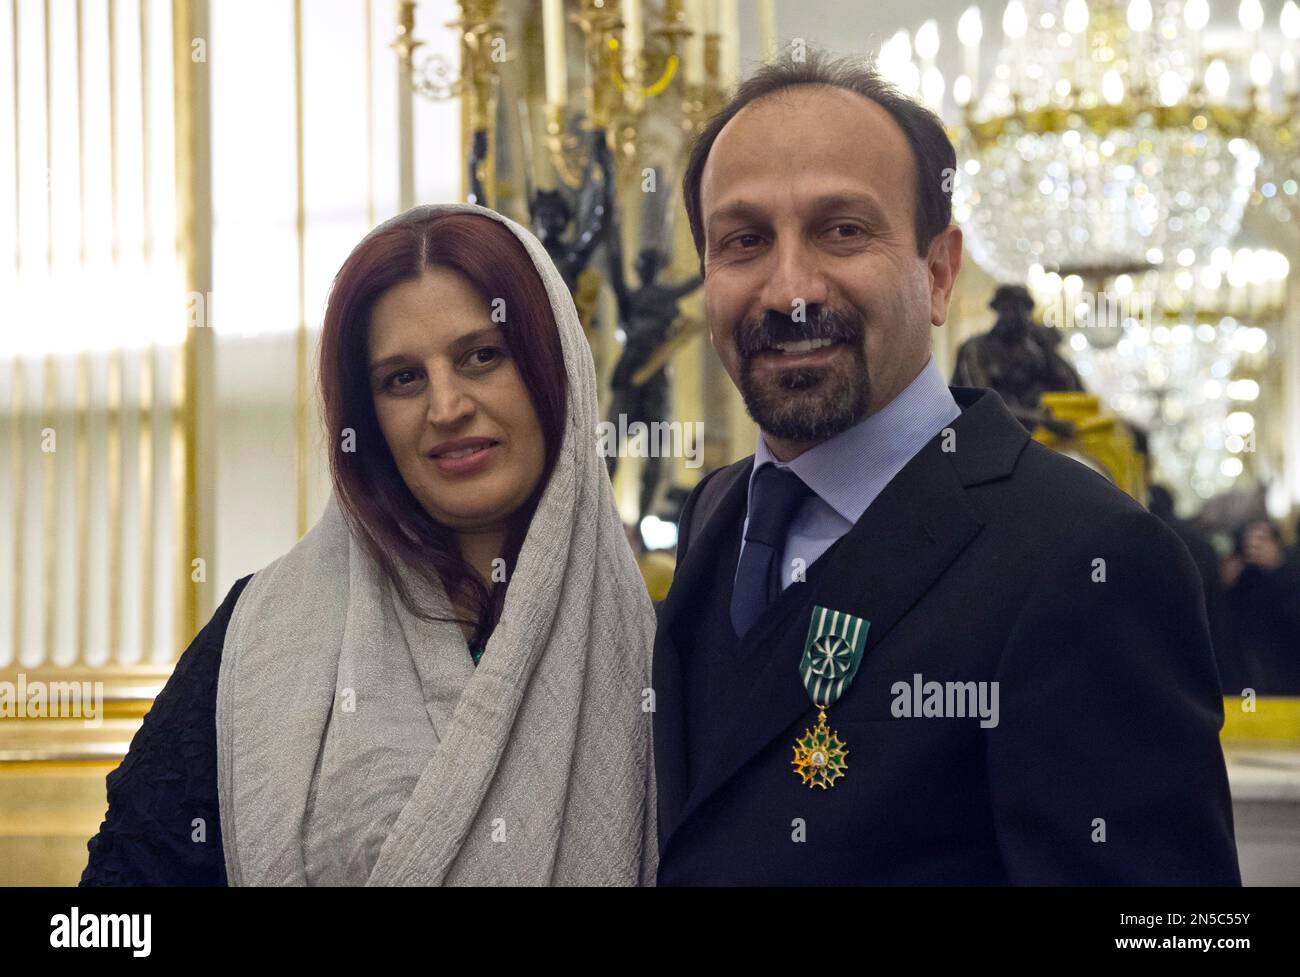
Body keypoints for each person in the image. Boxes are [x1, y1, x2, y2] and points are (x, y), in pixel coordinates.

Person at [654, 49, 1239, 885]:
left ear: (938, 272)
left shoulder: (1086, 558)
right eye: (744, 240)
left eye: (842, 229)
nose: (789, 289)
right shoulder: (718, 511)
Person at [81, 204, 657, 886]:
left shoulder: (664, 650)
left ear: (553, 368)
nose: (446, 407)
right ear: (366, 416)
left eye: (481, 356)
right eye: (403, 378)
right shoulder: (259, 637)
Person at [1223, 520, 1300, 696]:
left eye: (1261, 540)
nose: (1254, 546)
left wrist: (1275, 568)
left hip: (1287, 664)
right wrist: (1228, 582)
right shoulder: (1243, 576)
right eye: (1249, 541)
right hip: (1250, 668)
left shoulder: (1292, 571)